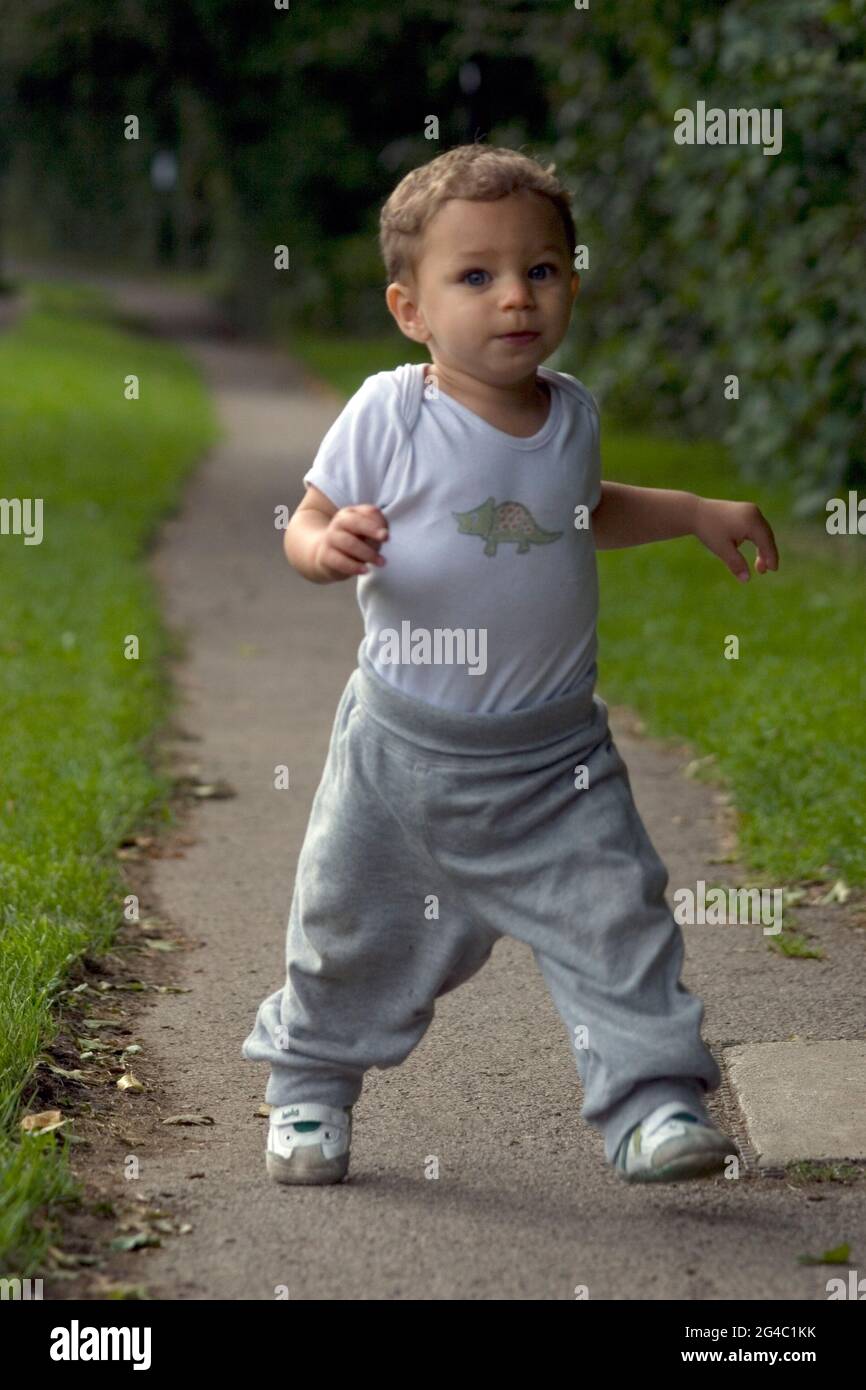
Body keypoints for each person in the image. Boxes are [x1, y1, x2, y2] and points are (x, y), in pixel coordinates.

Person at [241, 143, 779, 1186]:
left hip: (553, 759)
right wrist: (323, 544)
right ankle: (308, 1086)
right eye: (474, 276)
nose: (514, 297)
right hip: (404, 756)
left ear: (571, 280)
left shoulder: (569, 411)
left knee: (616, 919)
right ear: (411, 308)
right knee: (349, 933)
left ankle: (652, 1103)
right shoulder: (392, 411)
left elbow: (575, 513)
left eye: (541, 269)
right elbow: (304, 520)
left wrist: (692, 513)